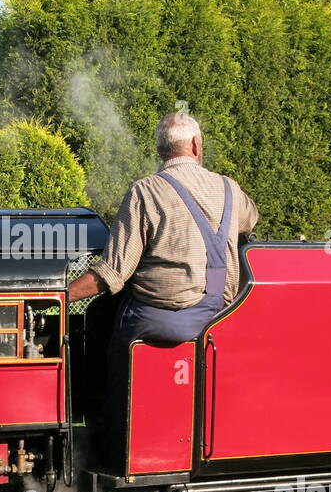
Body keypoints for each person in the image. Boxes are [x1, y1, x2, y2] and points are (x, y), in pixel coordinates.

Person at [68, 111, 258, 466]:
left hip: (158, 321)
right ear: (197, 145)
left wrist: (58, 296)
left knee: (100, 319)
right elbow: (250, 222)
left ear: (161, 151)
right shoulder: (230, 189)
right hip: (218, 320)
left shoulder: (145, 191)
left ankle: (111, 447)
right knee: (213, 280)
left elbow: (112, 273)